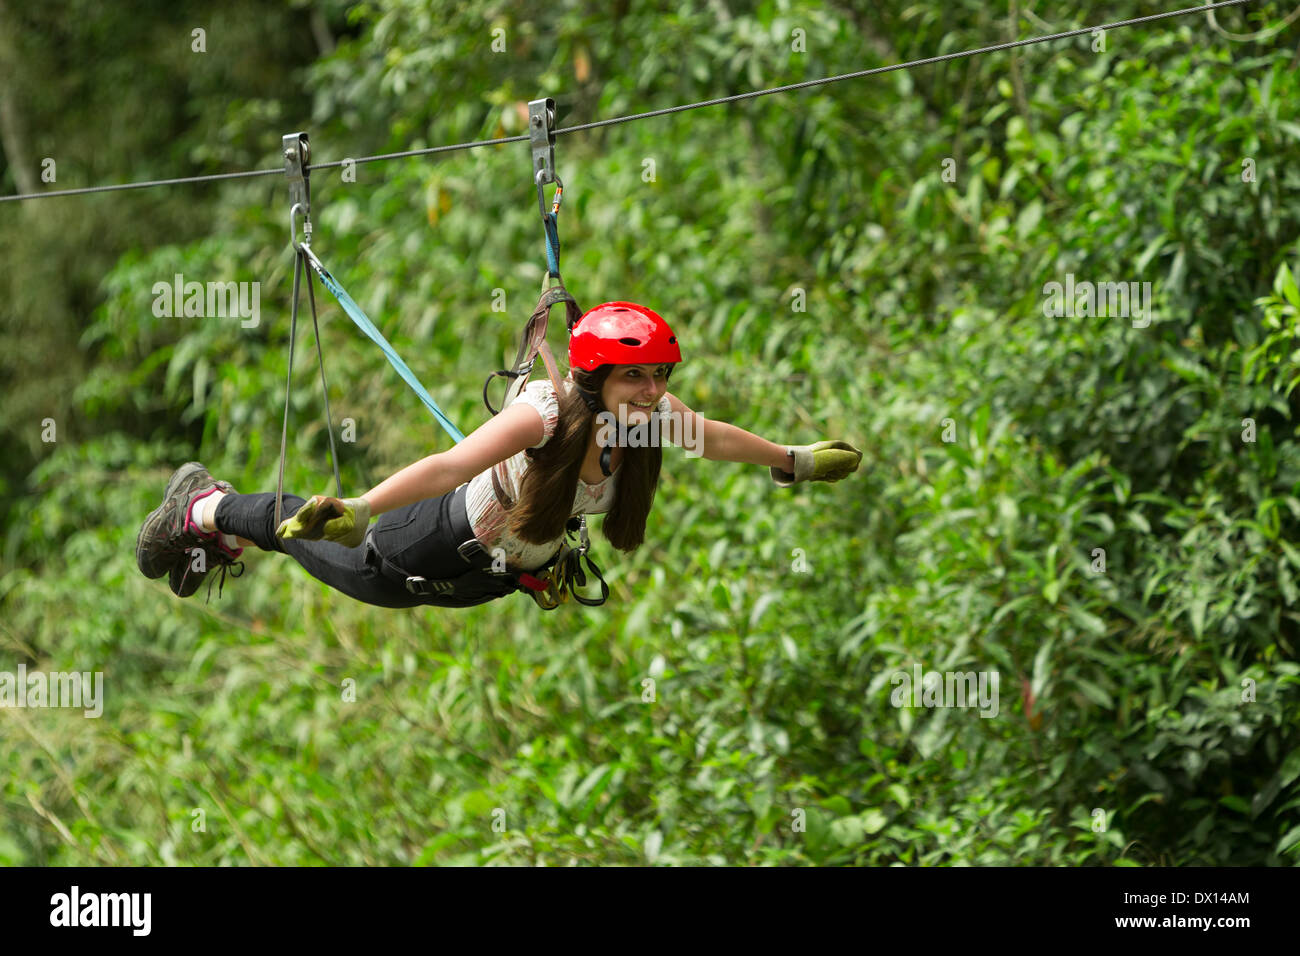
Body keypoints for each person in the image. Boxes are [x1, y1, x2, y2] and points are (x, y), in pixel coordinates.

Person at [134, 302, 862, 606]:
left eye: (658, 375)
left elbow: (715, 435)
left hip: (499, 574)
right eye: (635, 376)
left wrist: (790, 458)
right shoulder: (544, 414)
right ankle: (205, 509)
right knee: (321, 548)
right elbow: (452, 466)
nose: (650, 390)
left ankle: (219, 525)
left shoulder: (646, 421)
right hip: (428, 537)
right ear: (596, 377)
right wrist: (360, 507)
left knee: (323, 551)